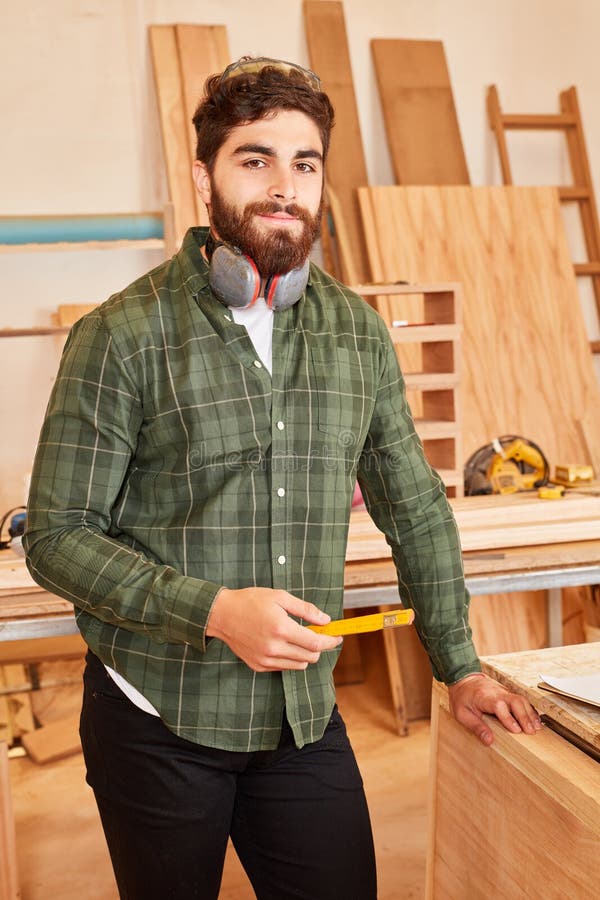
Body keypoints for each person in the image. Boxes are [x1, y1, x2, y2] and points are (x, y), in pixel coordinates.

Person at [24, 56, 542, 900]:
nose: (283, 186)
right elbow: (57, 536)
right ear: (205, 176)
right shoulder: (121, 335)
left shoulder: (356, 335)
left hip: (302, 720)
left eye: (304, 163)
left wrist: (460, 665)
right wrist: (217, 612)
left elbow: (413, 506)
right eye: (254, 159)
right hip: (156, 714)